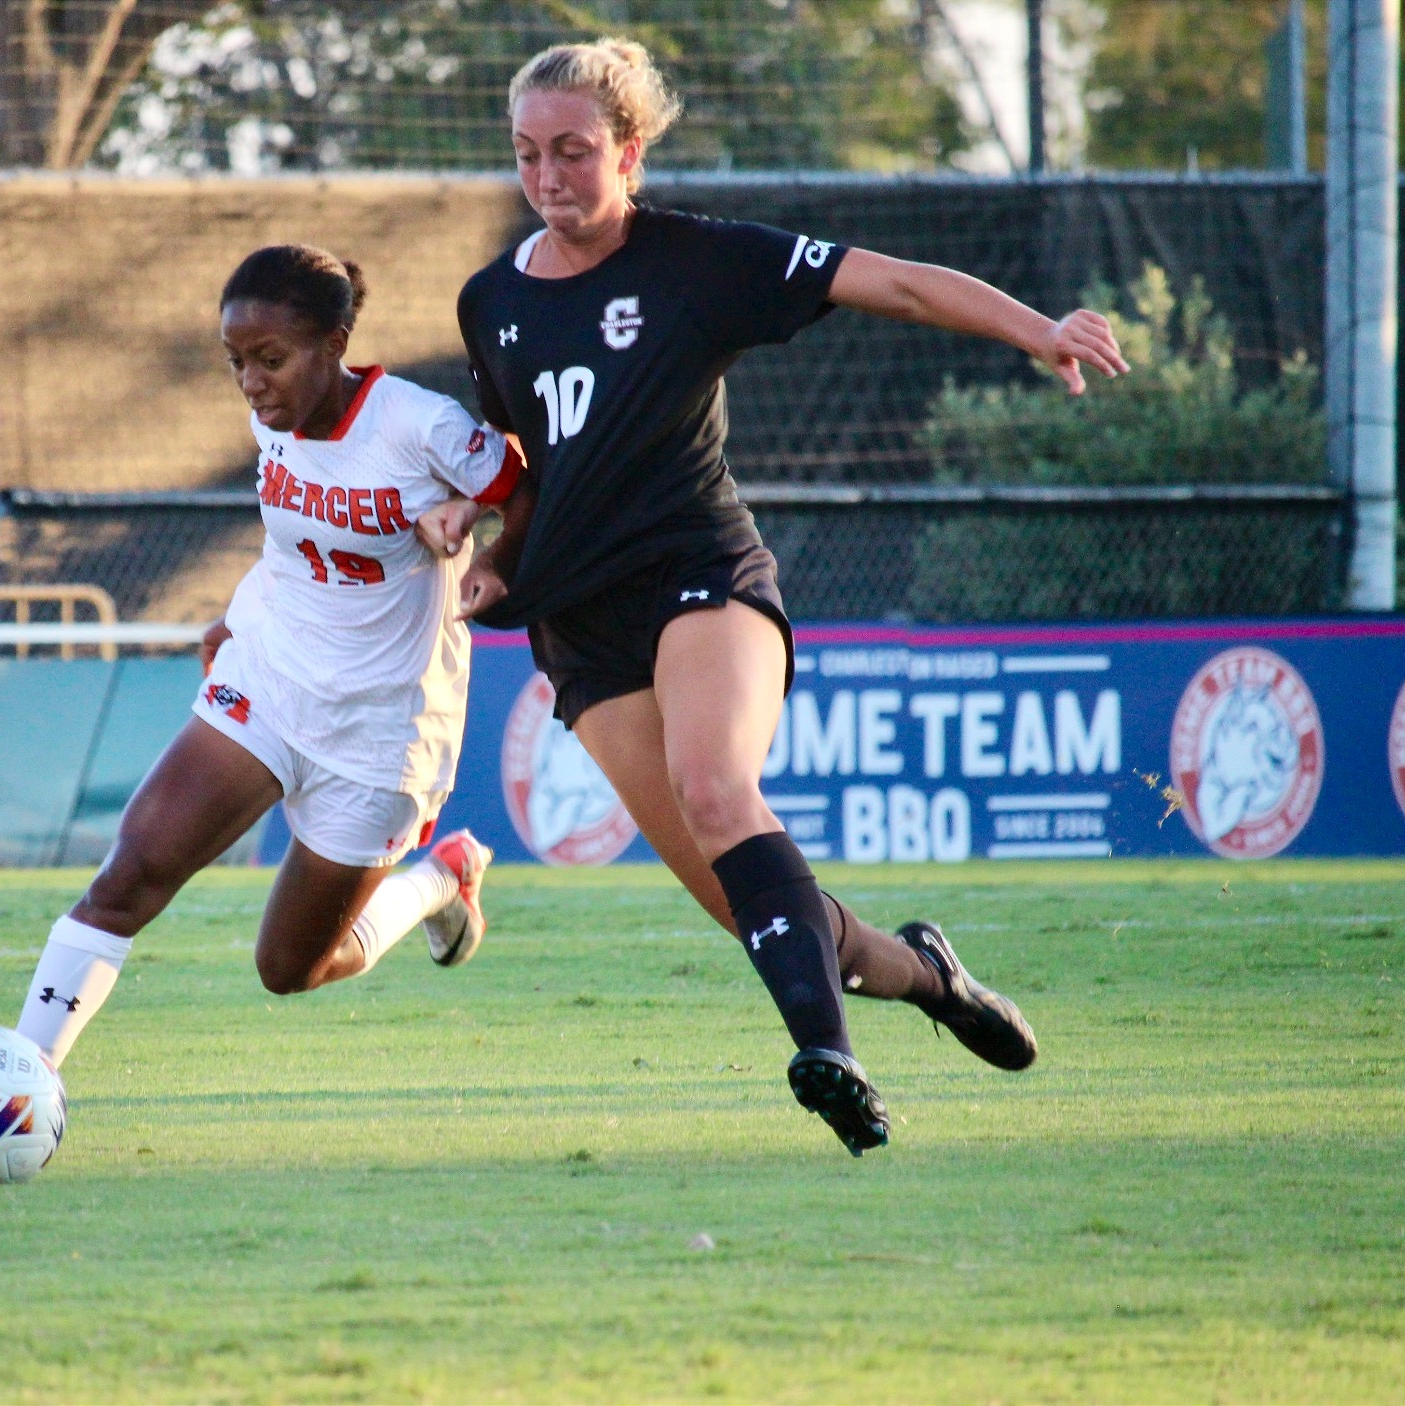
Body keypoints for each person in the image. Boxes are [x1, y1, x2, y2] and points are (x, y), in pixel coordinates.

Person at [457, 41, 1130, 1156]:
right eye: (528, 155)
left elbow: (897, 282)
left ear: (628, 151)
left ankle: (831, 1060)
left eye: (574, 151)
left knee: (719, 788)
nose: (549, 176)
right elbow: (532, 466)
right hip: (575, 624)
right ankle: (927, 977)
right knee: (762, 912)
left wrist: (1038, 330)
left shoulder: (698, 261)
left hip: (698, 571)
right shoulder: (493, 300)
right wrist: (495, 558)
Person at [12, 245, 523, 1067]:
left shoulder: (418, 425)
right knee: (130, 873)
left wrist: (483, 540)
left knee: (291, 967)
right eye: (236, 362)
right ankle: (19, 1075)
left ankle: (438, 883)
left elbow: (524, 481)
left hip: (382, 731)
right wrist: (237, 618)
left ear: (336, 342)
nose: (251, 382)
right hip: (271, 679)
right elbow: (293, 541)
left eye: (271, 359)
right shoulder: (272, 419)